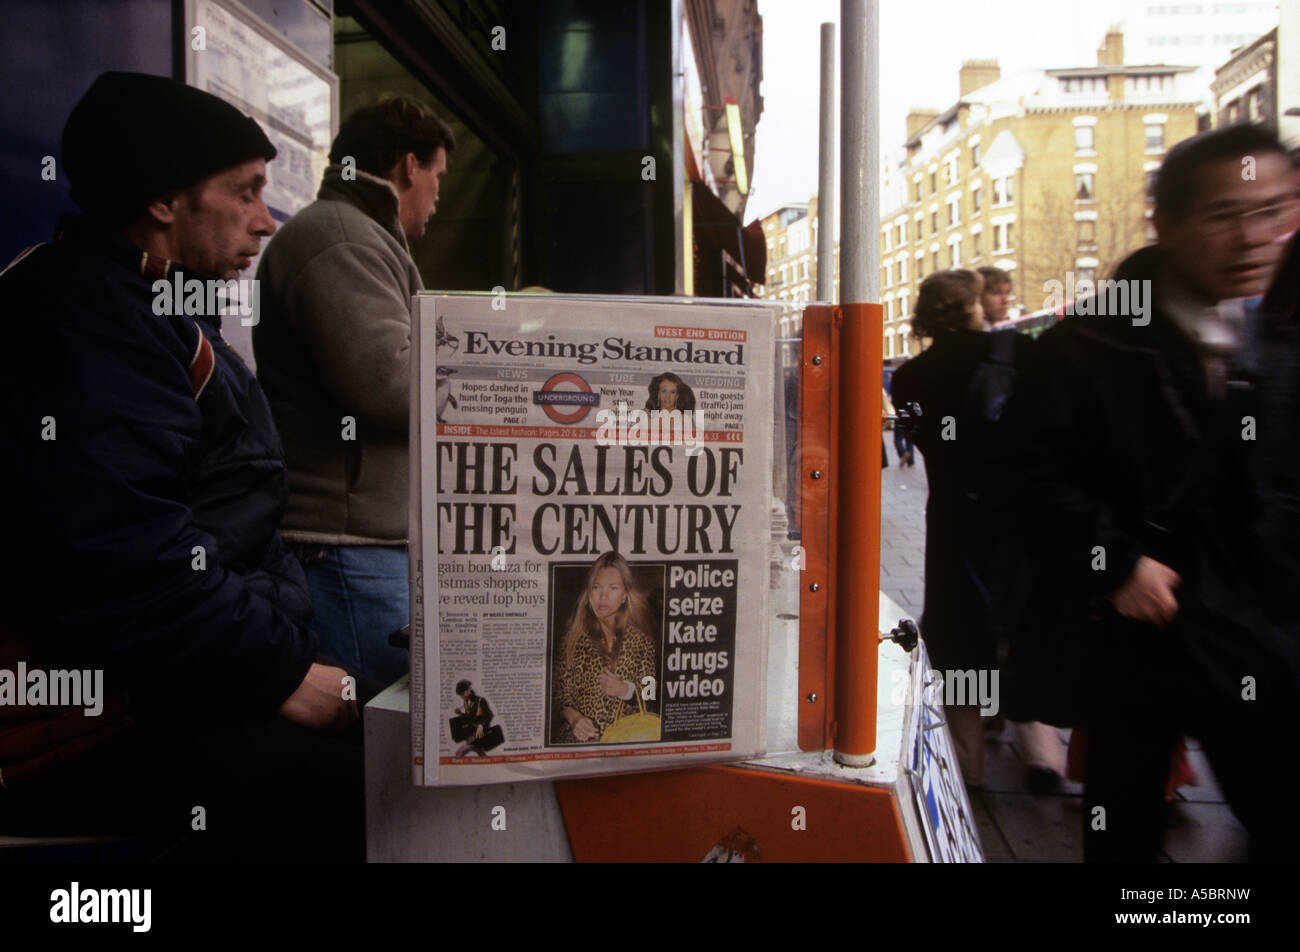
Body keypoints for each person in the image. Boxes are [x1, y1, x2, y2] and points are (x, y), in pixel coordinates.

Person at [0, 72, 360, 858]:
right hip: (94, 724)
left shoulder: (150, 307)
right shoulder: (88, 320)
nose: (266, 222)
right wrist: (281, 675)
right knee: (362, 796)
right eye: (245, 192)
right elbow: (124, 558)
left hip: (179, 681)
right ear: (165, 201)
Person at [1001, 124, 1300, 861]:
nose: (1255, 238)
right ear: (1164, 223)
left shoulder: (1283, 334)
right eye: (1225, 216)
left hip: (1261, 636)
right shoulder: (1089, 345)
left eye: (1276, 210)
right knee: (1127, 829)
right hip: (1141, 640)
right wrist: (1114, 564)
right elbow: (1023, 475)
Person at [253, 98, 455, 685]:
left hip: (364, 540)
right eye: (439, 177)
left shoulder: (355, 233)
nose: (439, 197)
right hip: (347, 545)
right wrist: (488, 373)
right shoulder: (341, 236)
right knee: (379, 731)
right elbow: (389, 382)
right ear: (409, 167)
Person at [889, 270, 1061, 790]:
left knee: (960, 628)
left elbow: (918, 436)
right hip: (1021, 515)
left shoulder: (911, 375)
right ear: (971, 305)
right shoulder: (1017, 353)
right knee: (1022, 619)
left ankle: (968, 765)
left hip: (953, 518)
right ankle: (1042, 752)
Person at [554, 552, 657, 744]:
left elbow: (651, 693)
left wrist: (626, 690)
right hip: (580, 744)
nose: (602, 596)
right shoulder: (571, 640)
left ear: (625, 594)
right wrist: (575, 719)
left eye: (613, 588)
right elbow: (561, 697)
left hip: (626, 742)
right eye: (596, 587)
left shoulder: (642, 642)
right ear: (588, 593)